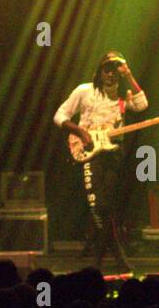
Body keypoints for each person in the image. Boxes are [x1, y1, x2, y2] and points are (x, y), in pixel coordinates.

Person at [53, 50, 148, 272]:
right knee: (97, 204)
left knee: (109, 207)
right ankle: (117, 255)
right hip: (88, 151)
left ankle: (99, 257)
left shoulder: (123, 96)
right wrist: (80, 131)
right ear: (99, 70)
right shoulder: (84, 91)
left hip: (113, 154)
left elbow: (143, 105)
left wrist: (129, 75)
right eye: (107, 69)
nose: (110, 74)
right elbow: (60, 116)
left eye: (115, 70)